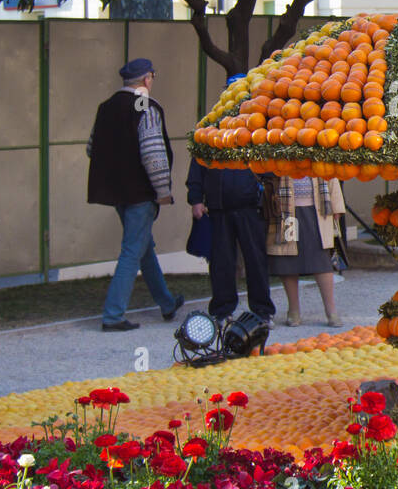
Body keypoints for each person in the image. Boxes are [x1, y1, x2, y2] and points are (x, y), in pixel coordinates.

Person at [86, 58, 184, 331]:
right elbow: (154, 155)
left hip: (116, 193)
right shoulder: (145, 106)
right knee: (132, 250)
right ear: (147, 79)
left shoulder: (105, 108)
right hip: (141, 192)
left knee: (143, 247)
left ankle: (166, 303)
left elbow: (92, 148)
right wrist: (163, 191)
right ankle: (113, 315)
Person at [186, 121, 276, 327]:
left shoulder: (255, 129)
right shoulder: (208, 131)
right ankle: (221, 310)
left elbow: (268, 165)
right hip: (218, 207)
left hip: (250, 206)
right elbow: (197, 166)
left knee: (256, 260)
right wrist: (196, 199)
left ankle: (262, 311)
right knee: (221, 262)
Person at [265, 174, 345, 326]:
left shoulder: (320, 150)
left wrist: (337, 206)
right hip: (286, 210)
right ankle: (293, 311)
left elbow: (332, 174)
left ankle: (331, 312)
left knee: (321, 261)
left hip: (317, 211)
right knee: (288, 260)